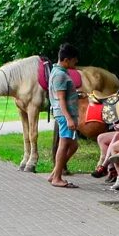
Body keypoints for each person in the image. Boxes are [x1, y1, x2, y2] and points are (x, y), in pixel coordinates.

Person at [48, 43, 82, 188]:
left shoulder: (59, 72)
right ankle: (57, 177)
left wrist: (77, 95)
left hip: (66, 113)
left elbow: (64, 95)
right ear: (66, 60)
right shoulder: (60, 75)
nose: (76, 62)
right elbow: (61, 99)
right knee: (64, 145)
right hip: (64, 115)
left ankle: (54, 173)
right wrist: (68, 118)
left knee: (73, 145)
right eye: (74, 59)